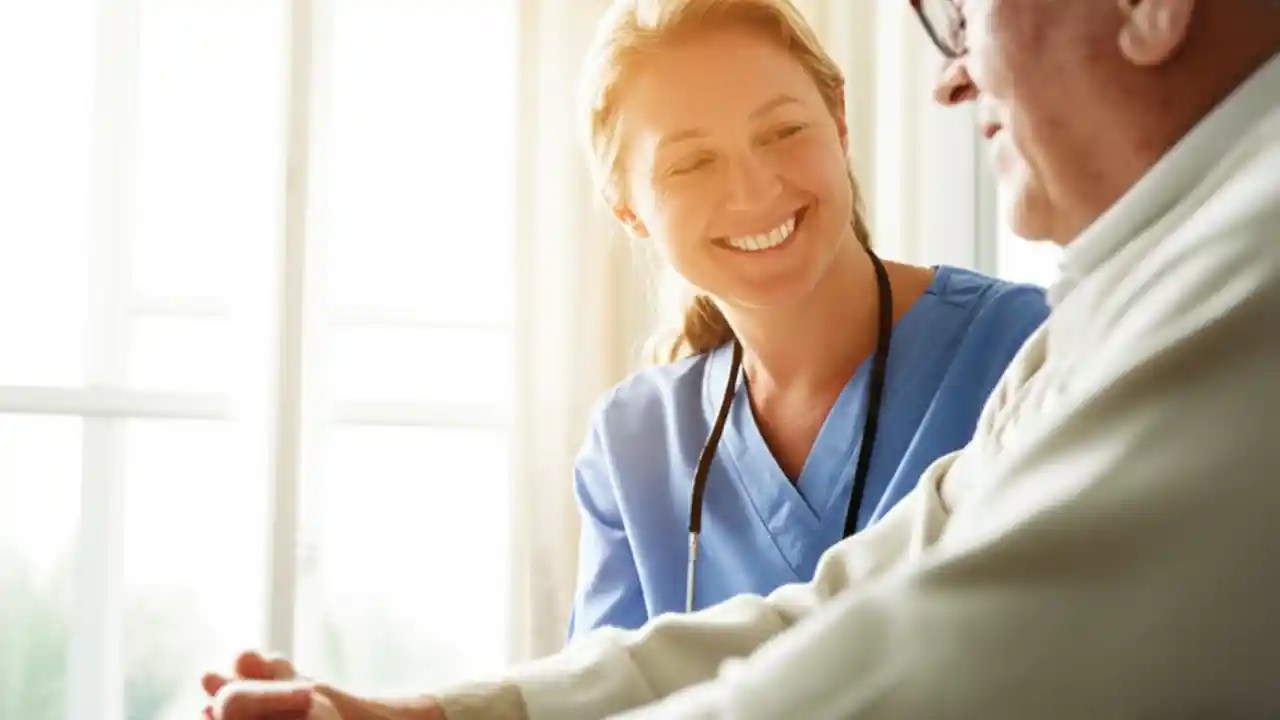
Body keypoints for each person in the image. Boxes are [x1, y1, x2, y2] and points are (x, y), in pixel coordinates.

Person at [202, 0, 1280, 717]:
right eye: (691, 163)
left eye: (965, 10)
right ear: (628, 210)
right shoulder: (1110, 316)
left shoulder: (1215, 283)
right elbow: (845, 603)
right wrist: (432, 717)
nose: (950, 82)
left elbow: (923, 670)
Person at [566, 0, 1046, 637]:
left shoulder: (1029, 344)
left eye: (782, 132)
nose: (754, 190)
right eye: (692, 163)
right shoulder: (633, 447)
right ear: (628, 210)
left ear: (839, 121)